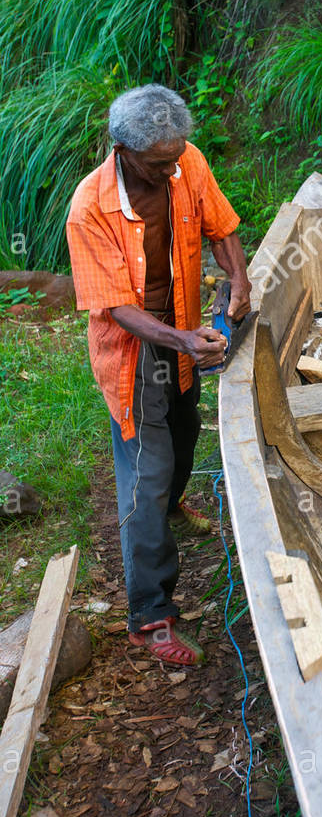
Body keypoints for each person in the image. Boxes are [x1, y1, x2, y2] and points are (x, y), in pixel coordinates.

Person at [66, 84, 252, 666]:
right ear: (120, 148)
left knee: (185, 432)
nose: (171, 169)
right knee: (147, 474)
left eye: (176, 158)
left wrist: (238, 279)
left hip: (183, 332)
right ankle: (150, 616)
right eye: (157, 164)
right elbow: (115, 306)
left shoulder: (185, 160)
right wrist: (180, 341)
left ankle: (173, 507)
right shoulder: (90, 207)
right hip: (136, 351)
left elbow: (220, 226)